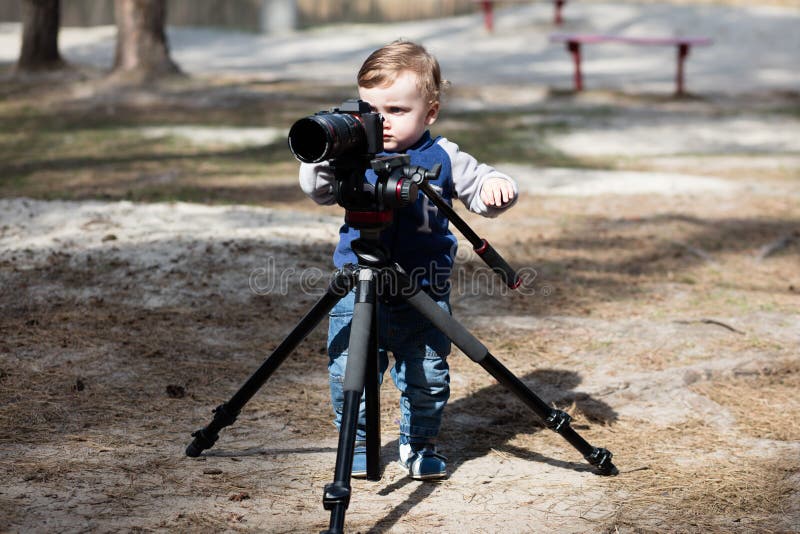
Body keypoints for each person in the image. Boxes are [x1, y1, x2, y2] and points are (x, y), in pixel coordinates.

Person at [298, 39, 517, 480]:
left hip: (424, 288)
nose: (381, 123)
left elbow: (482, 188)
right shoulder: (353, 153)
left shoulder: (443, 156)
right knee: (349, 369)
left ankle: (418, 444)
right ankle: (356, 443)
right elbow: (318, 190)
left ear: (430, 112)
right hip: (358, 283)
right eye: (369, 110)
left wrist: (499, 188)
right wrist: (326, 148)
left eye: (397, 111)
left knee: (428, 377)